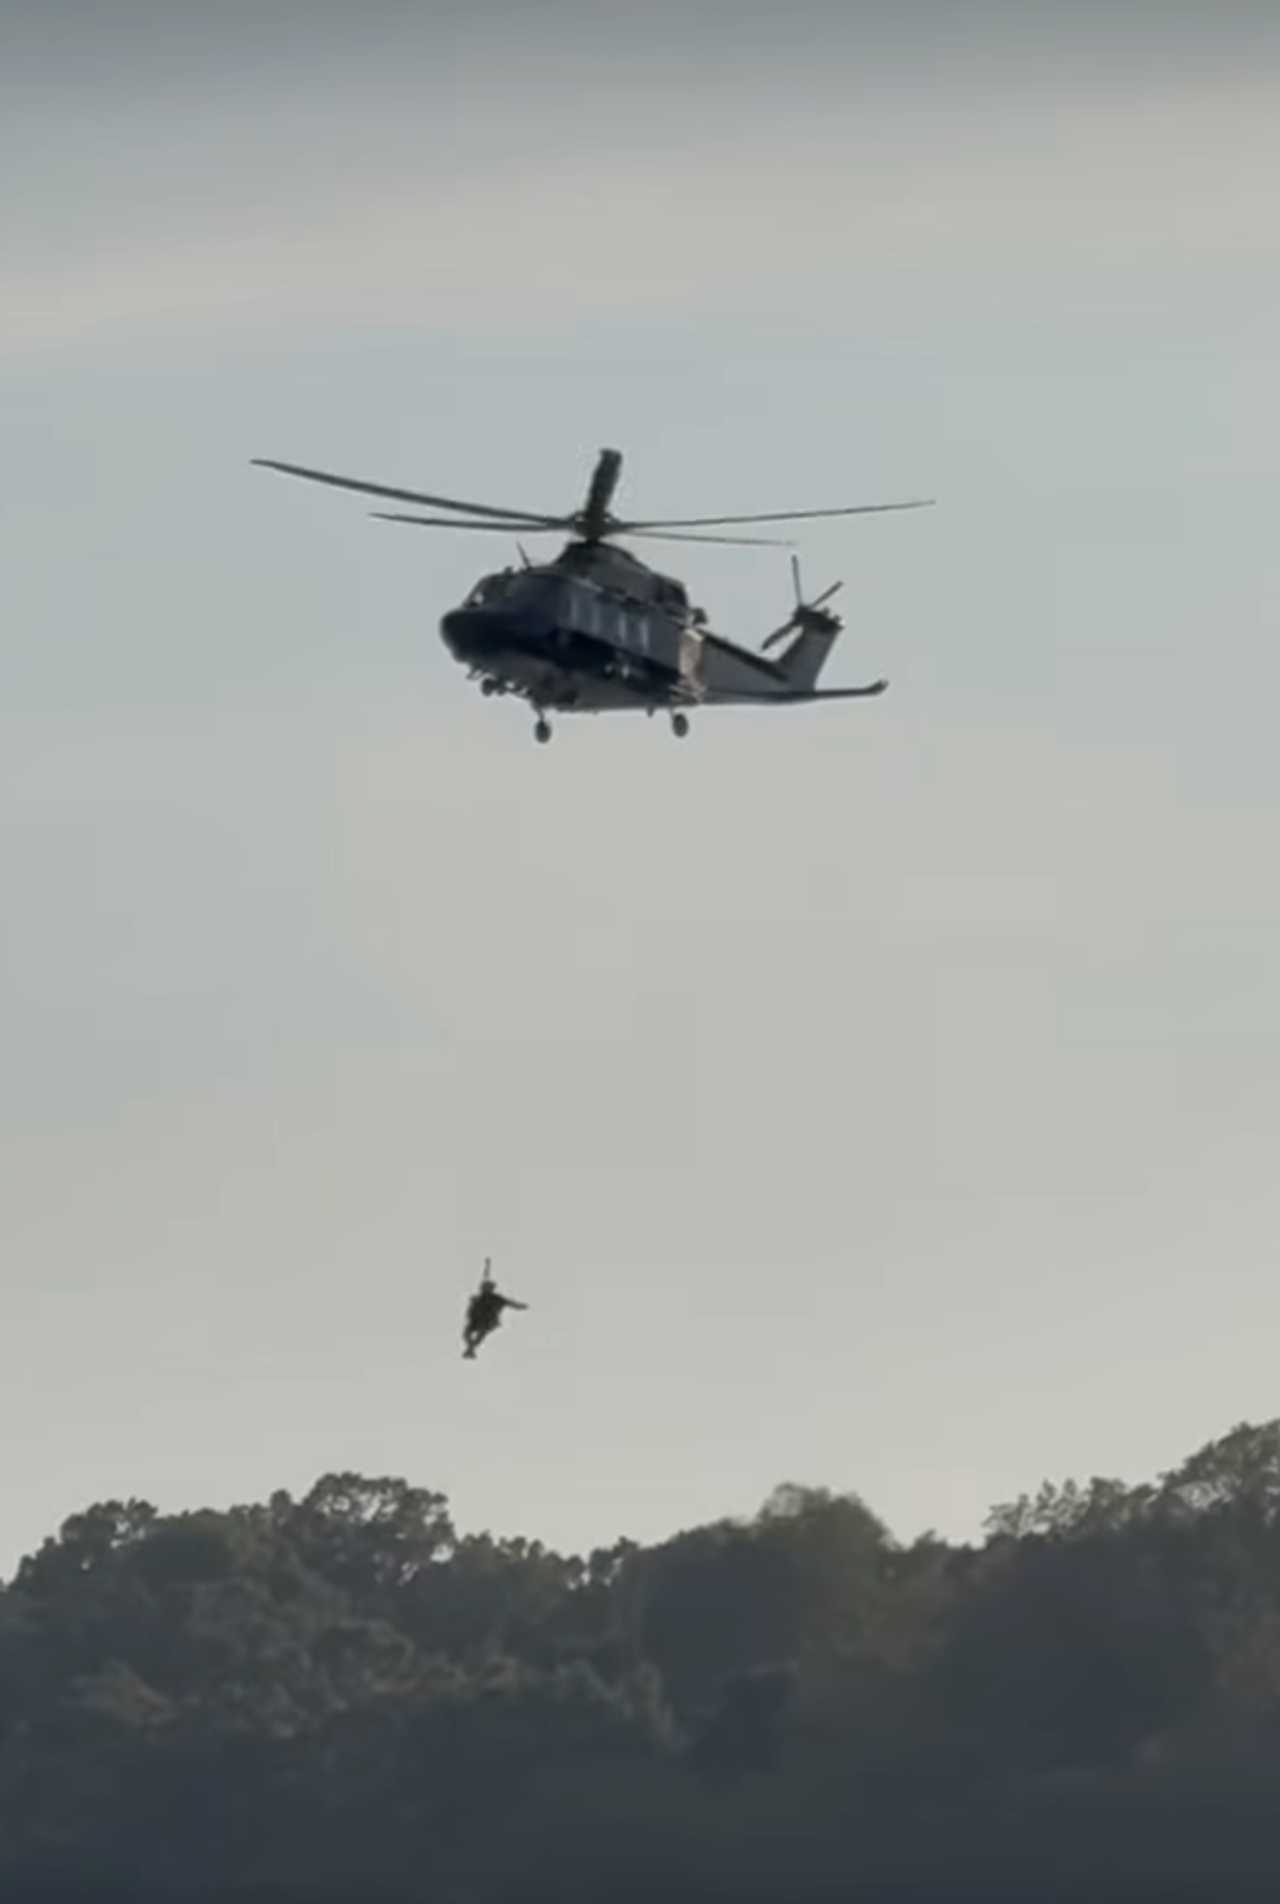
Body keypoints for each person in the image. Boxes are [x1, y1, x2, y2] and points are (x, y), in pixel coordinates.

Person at [462, 1259, 528, 1359]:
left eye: (486, 1288)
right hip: (475, 1319)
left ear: (491, 1289)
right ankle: (470, 1348)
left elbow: (510, 1303)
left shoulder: (497, 1298)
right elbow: (486, 1275)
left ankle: (471, 1349)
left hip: (487, 1321)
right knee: (466, 1334)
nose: (483, 1289)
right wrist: (487, 1265)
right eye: (483, 1288)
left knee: (480, 1334)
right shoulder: (479, 1298)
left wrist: (520, 1306)